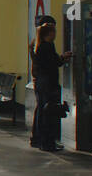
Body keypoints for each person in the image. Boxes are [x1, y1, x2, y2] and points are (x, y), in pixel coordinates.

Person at [29, 16, 71, 151]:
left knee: (41, 110)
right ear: (49, 32)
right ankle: (48, 142)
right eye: (54, 30)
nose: (56, 34)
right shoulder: (47, 46)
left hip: (39, 82)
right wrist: (63, 57)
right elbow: (53, 63)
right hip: (48, 84)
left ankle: (38, 139)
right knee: (49, 112)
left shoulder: (35, 44)